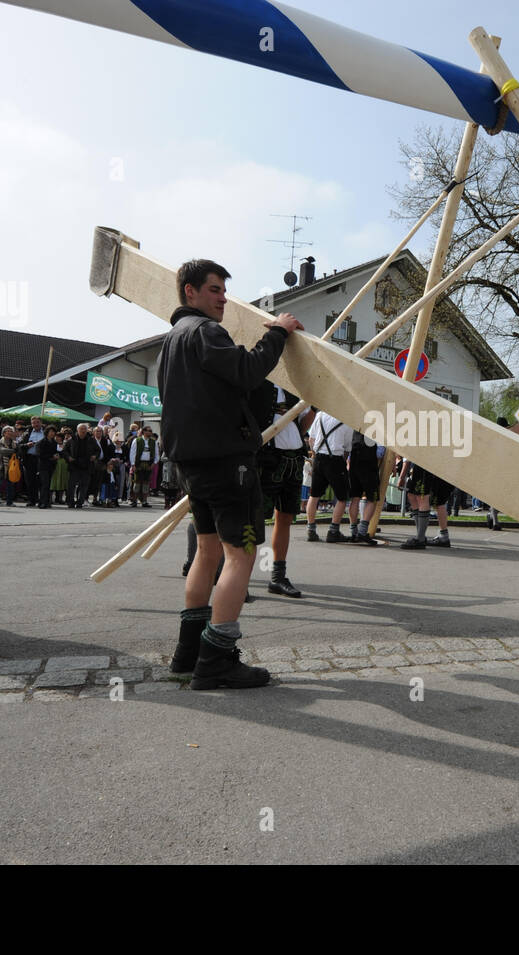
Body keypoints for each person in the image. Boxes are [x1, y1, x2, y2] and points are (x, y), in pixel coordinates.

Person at [159, 257, 302, 690]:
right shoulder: (204, 332)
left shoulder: (172, 340)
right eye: (215, 289)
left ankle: (188, 654)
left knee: (207, 554)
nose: (223, 298)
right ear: (190, 291)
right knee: (240, 556)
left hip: (192, 463)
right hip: (226, 463)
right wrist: (278, 331)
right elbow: (246, 371)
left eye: (224, 290)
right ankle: (217, 659)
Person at [252, 382, 312, 594]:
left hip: (293, 460)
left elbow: (301, 426)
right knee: (253, 518)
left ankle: (277, 577)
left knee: (285, 518)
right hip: (266, 459)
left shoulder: (292, 387)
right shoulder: (256, 383)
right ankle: (239, 576)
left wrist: (314, 408)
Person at [305, 408, 351, 541]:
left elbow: (311, 439)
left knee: (314, 495)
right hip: (335, 459)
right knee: (342, 497)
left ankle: (311, 529)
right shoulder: (346, 421)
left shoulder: (319, 415)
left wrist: (316, 454)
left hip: (319, 458)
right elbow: (347, 448)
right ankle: (333, 531)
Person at [65, 422, 99, 508]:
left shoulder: (91, 439)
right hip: (74, 465)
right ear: (77, 430)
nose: (83, 431)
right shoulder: (72, 439)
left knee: (84, 485)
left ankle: (80, 502)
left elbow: (97, 450)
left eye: (85, 429)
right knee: (71, 485)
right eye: (81, 429)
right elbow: (65, 451)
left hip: (87, 465)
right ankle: (71, 502)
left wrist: (95, 456)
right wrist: (68, 457)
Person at [128, 425, 160, 507]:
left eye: (151, 431)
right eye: (148, 431)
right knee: (137, 483)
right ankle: (134, 501)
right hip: (139, 463)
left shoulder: (154, 442)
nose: (150, 432)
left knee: (146, 483)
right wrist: (133, 464)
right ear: (144, 431)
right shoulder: (137, 440)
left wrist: (154, 463)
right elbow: (132, 453)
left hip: (149, 464)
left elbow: (157, 454)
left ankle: (144, 501)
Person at [0, 426, 19, 506]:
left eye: (11, 431)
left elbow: (19, 451)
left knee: (10, 485)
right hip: (2, 466)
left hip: (11, 467)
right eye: (8, 431)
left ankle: (9, 502)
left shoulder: (14, 443)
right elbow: (2, 451)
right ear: (3, 433)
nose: (10, 433)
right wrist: (13, 451)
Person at [36, 425, 59, 508]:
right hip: (43, 466)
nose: (52, 433)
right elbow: (39, 454)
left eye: (54, 432)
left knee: (49, 484)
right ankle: (42, 502)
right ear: (47, 433)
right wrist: (51, 457)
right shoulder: (41, 442)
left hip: (51, 466)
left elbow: (56, 452)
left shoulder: (54, 442)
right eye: (51, 432)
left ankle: (47, 501)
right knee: (44, 484)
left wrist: (57, 455)